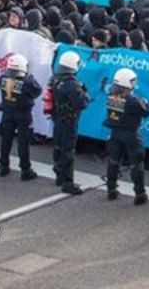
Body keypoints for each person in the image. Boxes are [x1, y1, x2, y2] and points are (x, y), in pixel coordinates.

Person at [104, 68, 149, 203]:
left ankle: (111, 189)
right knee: (137, 164)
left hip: (115, 132)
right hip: (131, 134)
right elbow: (147, 111)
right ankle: (140, 193)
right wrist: (145, 102)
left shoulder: (111, 95)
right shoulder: (132, 100)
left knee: (114, 161)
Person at [50, 51, 89, 194]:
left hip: (57, 117)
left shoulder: (55, 79)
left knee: (58, 146)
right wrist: (84, 91)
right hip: (69, 120)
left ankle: (59, 173)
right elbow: (82, 103)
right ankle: (67, 182)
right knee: (68, 150)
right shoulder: (72, 84)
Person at [0, 54, 40, 181]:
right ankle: (25, 169)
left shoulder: (2, 78)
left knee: (6, 140)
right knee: (23, 142)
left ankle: (3, 166)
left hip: (7, 112)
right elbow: (37, 91)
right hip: (23, 114)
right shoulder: (28, 82)